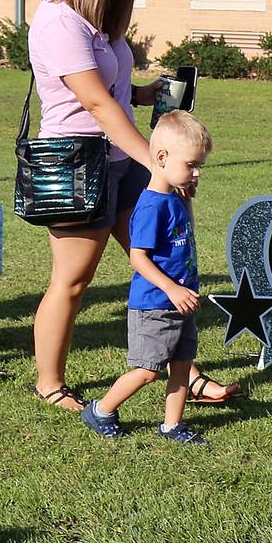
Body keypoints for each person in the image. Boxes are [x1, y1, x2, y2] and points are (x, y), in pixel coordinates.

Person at [28, 0, 239, 411]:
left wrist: (149, 93)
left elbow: (114, 95)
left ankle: (186, 374)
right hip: (78, 163)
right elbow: (97, 106)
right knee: (73, 280)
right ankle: (50, 384)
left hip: (123, 160)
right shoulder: (58, 19)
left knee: (164, 264)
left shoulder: (97, 19)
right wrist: (159, 164)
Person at [82, 111, 213, 444]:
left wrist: (189, 200)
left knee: (182, 364)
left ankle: (172, 425)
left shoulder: (175, 198)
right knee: (148, 370)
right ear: (162, 158)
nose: (197, 173)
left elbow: (186, 234)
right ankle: (101, 409)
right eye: (191, 165)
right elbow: (138, 257)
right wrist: (171, 288)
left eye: (200, 166)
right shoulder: (152, 206)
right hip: (155, 304)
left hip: (181, 301)